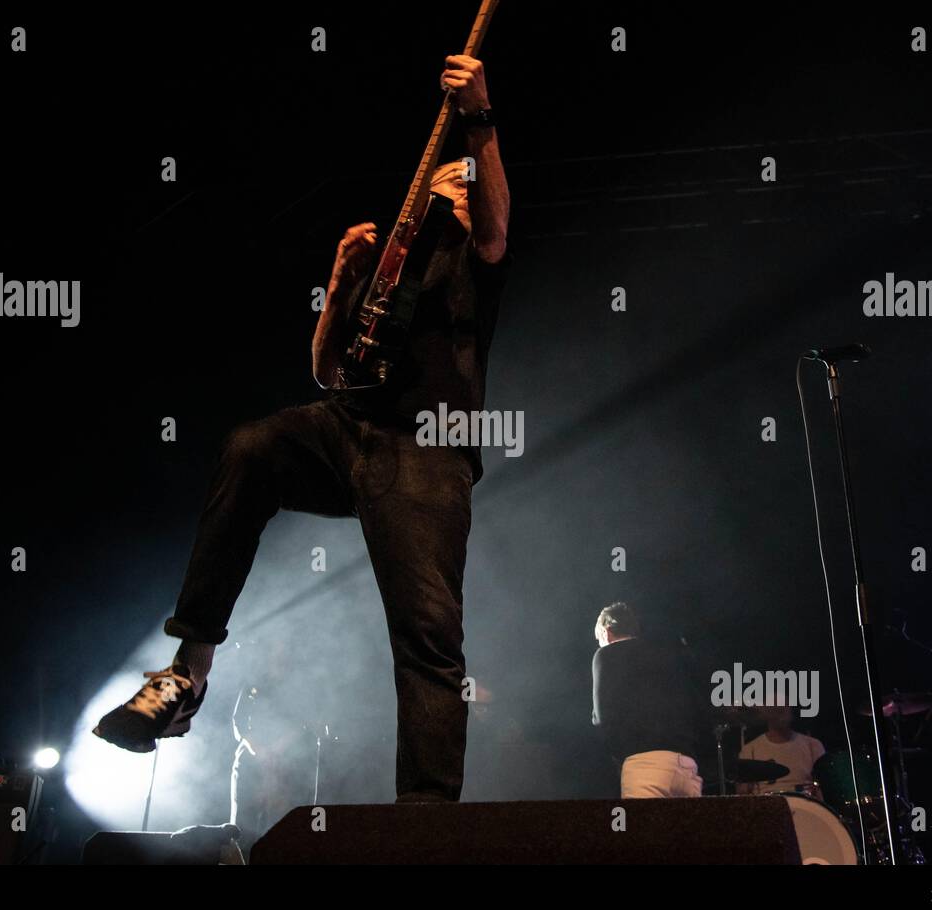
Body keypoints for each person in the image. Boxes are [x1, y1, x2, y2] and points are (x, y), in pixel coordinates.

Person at [93, 53, 511, 804]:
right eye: (446, 181)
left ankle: (424, 817)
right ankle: (189, 669)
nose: (457, 189)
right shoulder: (394, 261)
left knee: (427, 636)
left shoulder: (475, 259)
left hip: (425, 448)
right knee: (252, 446)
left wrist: (479, 122)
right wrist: (343, 284)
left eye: (465, 184)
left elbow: (494, 229)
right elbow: (328, 372)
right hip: (345, 428)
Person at [591, 602, 702, 798]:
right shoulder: (666, 653)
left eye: (598, 638)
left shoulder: (606, 654)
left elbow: (603, 718)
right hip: (687, 764)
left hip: (645, 765)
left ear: (606, 632)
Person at [736, 705, 826, 798]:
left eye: (783, 705)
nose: (779, 710)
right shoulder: (750, 749)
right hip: (767, 807)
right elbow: (743, 795)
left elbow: (825, 790)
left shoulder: (813, 745)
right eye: (774, 706)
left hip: (805, 806)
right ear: (764, 712)